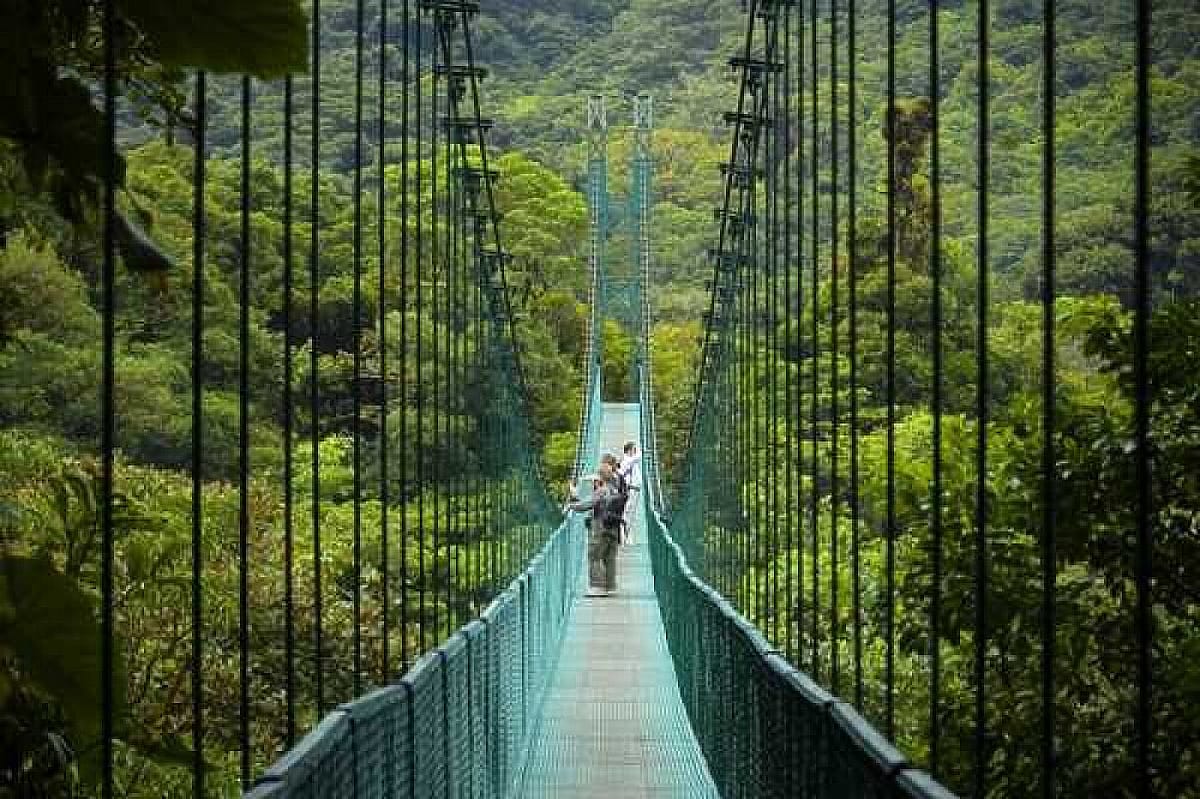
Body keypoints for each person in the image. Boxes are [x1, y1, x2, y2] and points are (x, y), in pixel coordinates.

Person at [566, 464, 621, 596]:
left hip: (600, 528)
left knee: (595, 556)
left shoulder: (602, 491)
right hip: (614, 528)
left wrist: (571, 506)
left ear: (600, 478)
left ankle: (597, 587)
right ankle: (610, 586)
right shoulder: (615, 490)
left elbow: (587, 504)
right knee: (609, 558)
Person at [618, 441, 643, 545]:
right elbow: (639, 456)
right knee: (627, 513)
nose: (635, 451)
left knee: (628, 514)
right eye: (634, 449)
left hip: (632, 490)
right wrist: (644, 447)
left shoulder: (629, 460)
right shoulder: (627, 460)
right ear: (629, 451)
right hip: (630, 491)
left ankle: (626, 537)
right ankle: (624, 538)